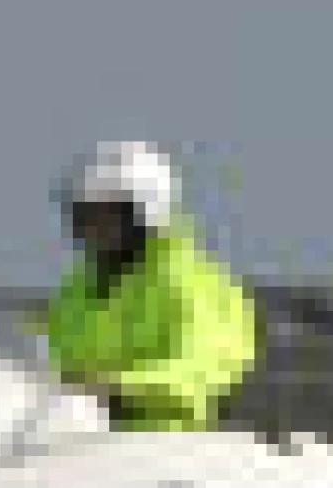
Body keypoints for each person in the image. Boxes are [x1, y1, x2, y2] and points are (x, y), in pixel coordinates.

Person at [41, 141, 260, 431]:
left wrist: (120, 386)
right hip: (69, 446)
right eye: (85, 218)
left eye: (108, 218)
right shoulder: (77, 290)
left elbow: (204, 367)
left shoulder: (192, 283)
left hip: (167, 450)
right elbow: (45, 363)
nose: (94, 232)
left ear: (146, 214)